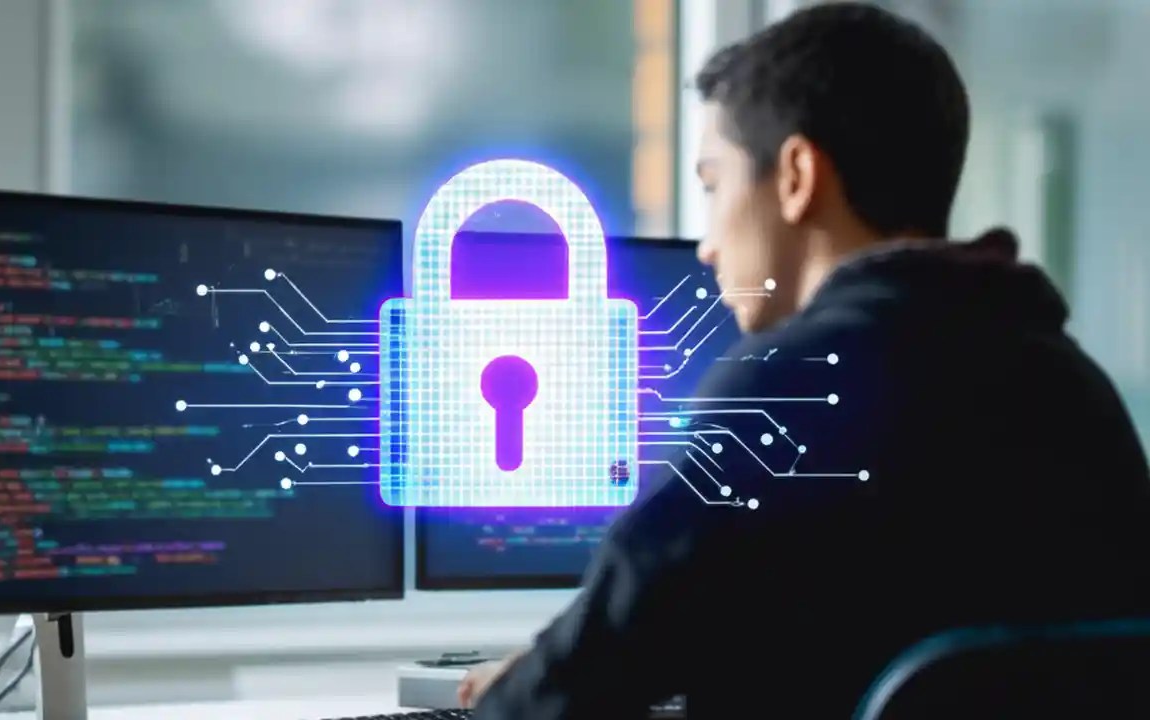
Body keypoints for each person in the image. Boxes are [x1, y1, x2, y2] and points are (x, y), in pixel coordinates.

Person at [459, 3, 1150, 718]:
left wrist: (518, 682)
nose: (706, 243)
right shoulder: (1075, 392)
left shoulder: (787, 395)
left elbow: (578, 680)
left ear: (795, 176)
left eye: (712, 184)